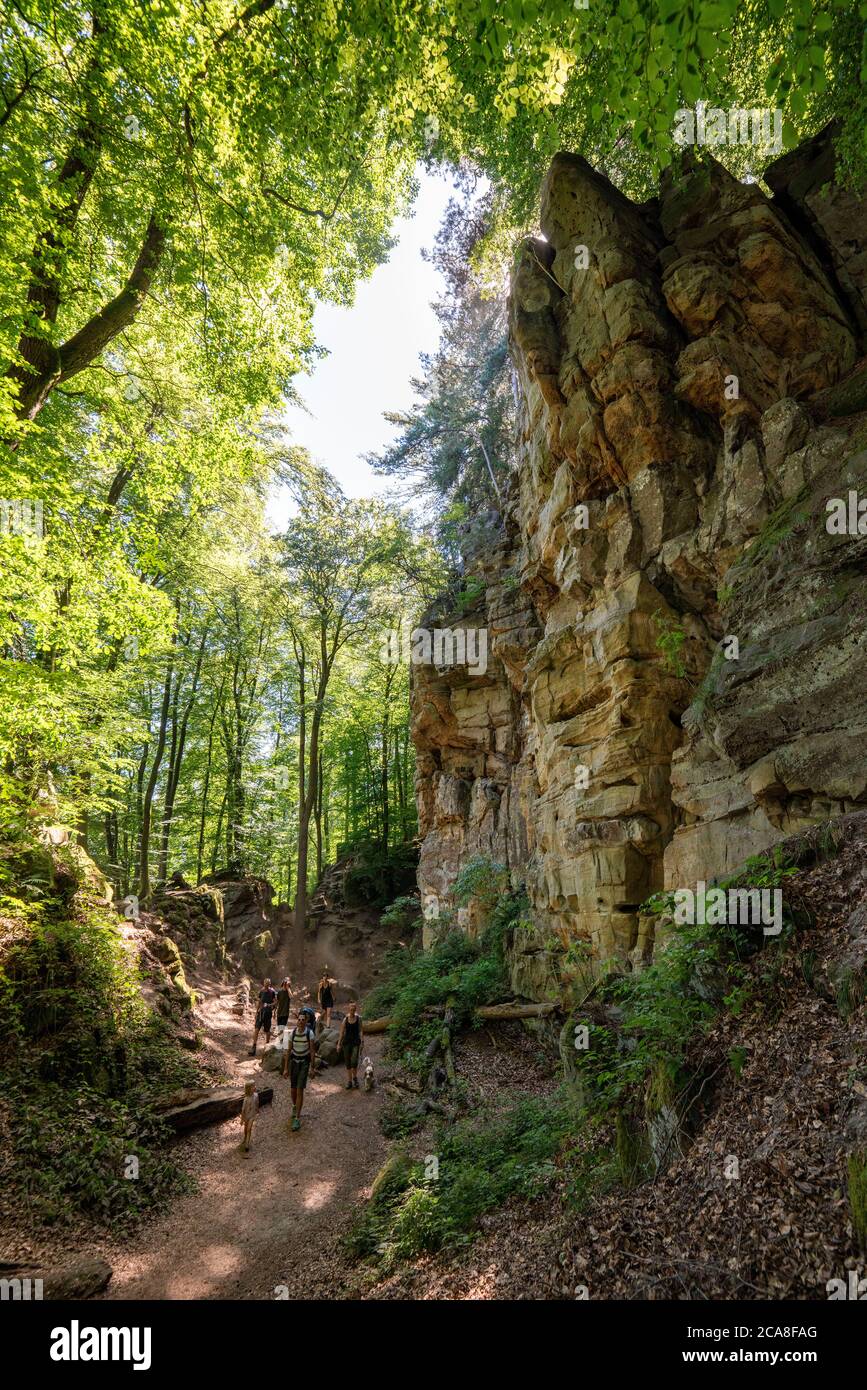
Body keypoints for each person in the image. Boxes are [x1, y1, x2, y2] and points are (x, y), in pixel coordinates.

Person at [287, 1008, 316, 1131]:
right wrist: (285, 1069)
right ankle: (294, 1106)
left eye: (303, 1020)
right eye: (299, 1019)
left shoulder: (310, 1033)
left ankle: (297, 1119)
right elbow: (288, 1051)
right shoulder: (292, 1033)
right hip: (293, 1063)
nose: (300, 1022)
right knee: (293, 1089)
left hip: (304, 1063)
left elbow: (312, 1051)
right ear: (296, 1021)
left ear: (306, 1021)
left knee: (299, 1090)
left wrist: (312, 1068)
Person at [337, 1000, 363, 1090]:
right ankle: (349, 1081)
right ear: (349, 1008)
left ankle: (355, 1078)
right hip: (347, 1042)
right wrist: (338, 1044)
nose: (352, 1008)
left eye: (354, 1007)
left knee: (354, 1061)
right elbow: (341, 1032)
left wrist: (362, 1041)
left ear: (355, 1008)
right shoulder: (345, 1019)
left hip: (356, 1042)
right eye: (351, 1007)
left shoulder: (359, 1019)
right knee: (348, 1062)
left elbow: (360, 1030)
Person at [250, 978, 277, 1056]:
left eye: (268, 983)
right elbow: (259, 1002)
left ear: (270, 984)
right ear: (263, 983)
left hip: (268, 1013)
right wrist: (256, 1012)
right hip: (261, 1013)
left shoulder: (272, 992)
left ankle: (267, 1046)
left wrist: (269, 1005)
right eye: (265, 983)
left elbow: (275, 1002)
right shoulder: (261, 991)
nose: (267, 984)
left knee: (267, 1030)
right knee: (256, 1029)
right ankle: (253, 1047)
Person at [240, 1081, 258, 1153]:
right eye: (253, 1086)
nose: (255, 1087)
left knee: (249, 1129)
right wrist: (242, 1119)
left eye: (254, 1085)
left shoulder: (256, 1095)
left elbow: (257, 1103)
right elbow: (243, 1109)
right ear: (248, 1089)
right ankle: (245, 1138)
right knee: (246, 1128)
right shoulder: (246, 1099)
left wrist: (257, 1110)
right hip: (246, 1115)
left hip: (252, 1115)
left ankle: (247, 1143)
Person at [275, 977, 292, 1047]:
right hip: (279, 1012)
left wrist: (288, 988)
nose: (286, 984)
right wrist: (274, 1011)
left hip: (285, 1013)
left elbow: (291, 997)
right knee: (279, 1028)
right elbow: (277, 1002)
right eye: (285, 982)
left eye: (287, 982)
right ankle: (281, 1040)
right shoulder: (279, 992)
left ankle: (281, 1041)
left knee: (282, 1027)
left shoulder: (289, 992)